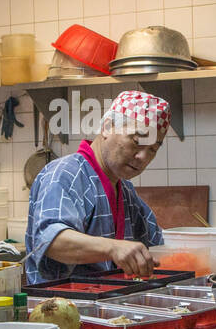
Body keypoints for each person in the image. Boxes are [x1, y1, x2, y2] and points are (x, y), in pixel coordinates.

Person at [25, 90, 167, 284]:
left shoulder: (126, 191)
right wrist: (113, 248)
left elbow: (159, 244)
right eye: (136, 141)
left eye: (153, 149)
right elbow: (50, 241)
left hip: (104, 304)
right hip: (59, 308)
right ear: (107, 127)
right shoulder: (65, 173)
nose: (143, 157)